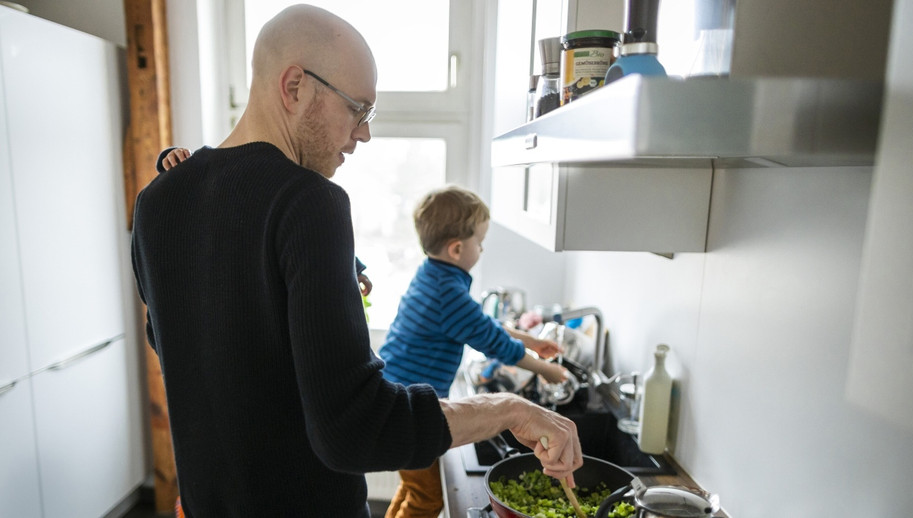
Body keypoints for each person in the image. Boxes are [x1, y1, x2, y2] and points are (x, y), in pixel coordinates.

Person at [130, 4, 582, 518]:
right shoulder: (310, 201)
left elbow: (182, 342)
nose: (363, 133)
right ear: (294, 86)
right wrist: (507, 409)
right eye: (357, 110)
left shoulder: (157, 200)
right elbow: (355, 430)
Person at [378, 185, 570, 518]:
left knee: (415, 489)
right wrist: (549, 370)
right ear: (456, 249)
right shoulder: (447, 292)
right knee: (427, 497)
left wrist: (533, 341)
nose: (481, 250)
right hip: (407, 409)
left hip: (395, 398)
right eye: (479, 243)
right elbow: (495, 343)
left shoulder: (433, 275)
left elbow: (479, 323)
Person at [157, 146, 373, 295]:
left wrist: (355, 269)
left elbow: (320, 238)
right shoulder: (233, 179)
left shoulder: (300, 197)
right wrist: (170, 155)